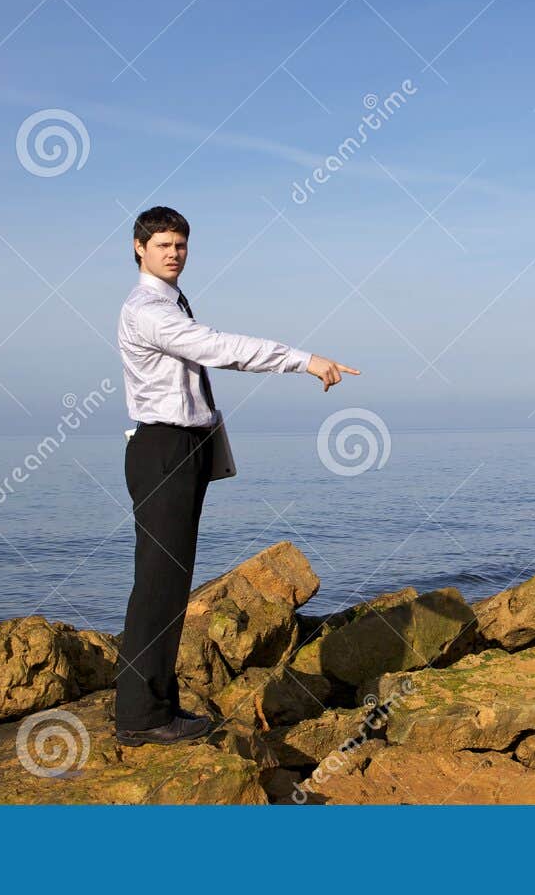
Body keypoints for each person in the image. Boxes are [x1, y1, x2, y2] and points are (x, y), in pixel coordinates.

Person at [113, 205, 358, 745]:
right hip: (164, 449)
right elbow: (218, 348)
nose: (174, 253)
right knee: (159, 584)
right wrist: (303, 359)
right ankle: (140, 718)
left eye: (180, 245)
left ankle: (154, 702)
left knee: (168, 583)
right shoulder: (148, 310)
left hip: (184, 447)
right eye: (162, 245)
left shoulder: (170, 301)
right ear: (138, 248)